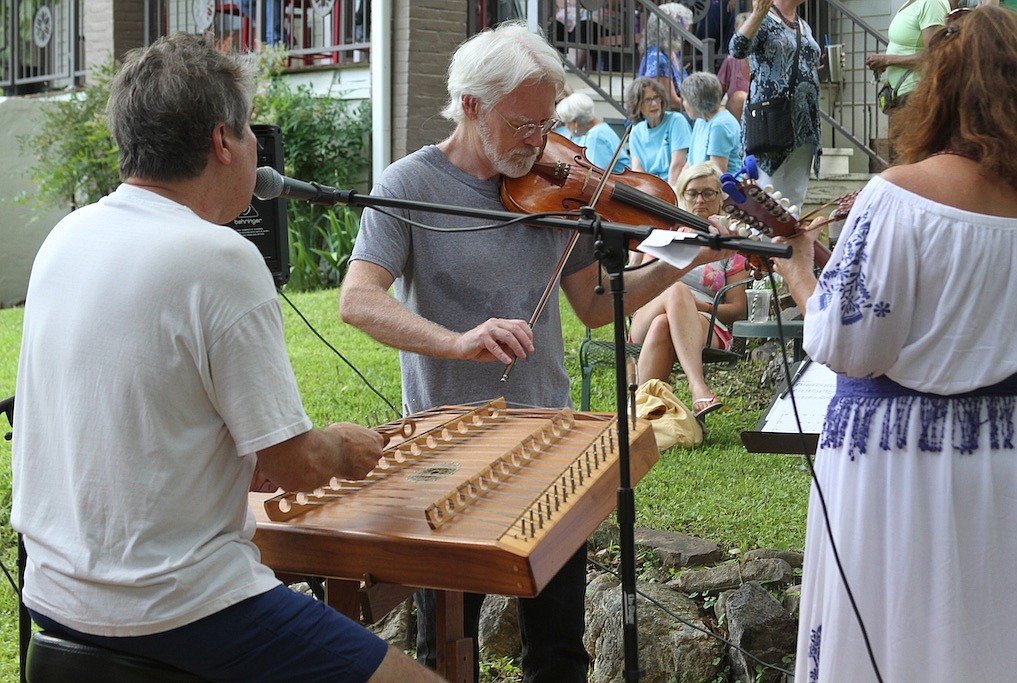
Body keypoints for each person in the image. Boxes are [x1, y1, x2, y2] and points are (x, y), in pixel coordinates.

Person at [10, 33, 442, 683]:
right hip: (177, 608)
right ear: (221, 142)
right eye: (248, 135)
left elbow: (124, 417)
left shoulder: (67, 236)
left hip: (56, 597)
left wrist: (233, 460)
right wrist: (348, 447)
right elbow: (298, 466)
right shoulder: (222, 257)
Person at [338, 21, 728, 683]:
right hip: (449, 454)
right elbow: (357, 299)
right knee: (446, 652)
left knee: (558, 652)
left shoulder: (552, 188)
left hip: (550, 443)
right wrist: (456, 342)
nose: (540, 141)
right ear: (470, 106)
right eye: (524, 124)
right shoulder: (407, 185)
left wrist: (681, 260)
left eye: (545, 121)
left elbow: (596, 305)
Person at [768, 7, 1017, 680]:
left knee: (895, 634)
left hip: (901, 463)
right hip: (1005, 456)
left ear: (935, 87)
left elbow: (848, 341)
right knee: (988, 636)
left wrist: (800, 271)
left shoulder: (899, 196)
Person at [629, 163, 748, 420]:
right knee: (675, 291)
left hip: (705, 323)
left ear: (720, 198)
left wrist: (701, 306)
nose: (700, 200)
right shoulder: (665, 236)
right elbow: (637, 285)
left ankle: (641, 415)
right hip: (646, 316)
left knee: (664, 323)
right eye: (692, 193)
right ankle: (698, 388)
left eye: (708, 193)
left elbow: (738, 310)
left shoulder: (728, 245)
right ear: (682, 196)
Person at [729, 0, 822, 211]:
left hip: (804, 124)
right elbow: (737, 49)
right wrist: (757, 13)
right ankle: (763, 245)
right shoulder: (764, 19)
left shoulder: (803, 25)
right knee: (767, 198)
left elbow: (799, 72)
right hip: (771, 120)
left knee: (794, 201)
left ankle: (788, 243)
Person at [865, 0, 955, 109]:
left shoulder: (931, 3)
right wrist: (884, 60)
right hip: (900, 95)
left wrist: (887, 60)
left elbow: (934, 55)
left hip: (916, 95)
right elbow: (910, 47)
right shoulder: (909, 3)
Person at [626, 76, 692, 186]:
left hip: (675, 186)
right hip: (651, 190)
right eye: (647, 100)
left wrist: (669, 198)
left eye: (656, 97)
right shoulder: (636, 132)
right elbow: (638, 172)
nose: (654, 104)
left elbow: (678, 165)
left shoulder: (676, 121)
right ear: (637, 105)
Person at [680, 71, 743, 174]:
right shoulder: (701, 120)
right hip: (699, 183)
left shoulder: (720, 125)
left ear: (696, 102)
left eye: (685, 100)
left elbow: (717, 172)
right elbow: (690, 164)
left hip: (720, 187)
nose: (683, 104)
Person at [636, 2, 693, 111]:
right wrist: (698, 108)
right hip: (662, 116)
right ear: (668, 29)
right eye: (682, 25)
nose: (686, 30)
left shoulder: (674, 53)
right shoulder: (657, 58)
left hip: (680, 111)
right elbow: (670, 101)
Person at [555, 91, 630, 173]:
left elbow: (591, 174)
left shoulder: (596, 136)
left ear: (575, 122)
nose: (566, 127)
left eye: (566, 123)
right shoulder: (600, 129)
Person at [717, 12, 752, 122]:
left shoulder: (765, 60)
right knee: (739, 97)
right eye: (742, 33)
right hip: (737, 117)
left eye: (750, 32)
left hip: (760, 114)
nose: (745, 38)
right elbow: (717, 92)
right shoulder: (731, 61)